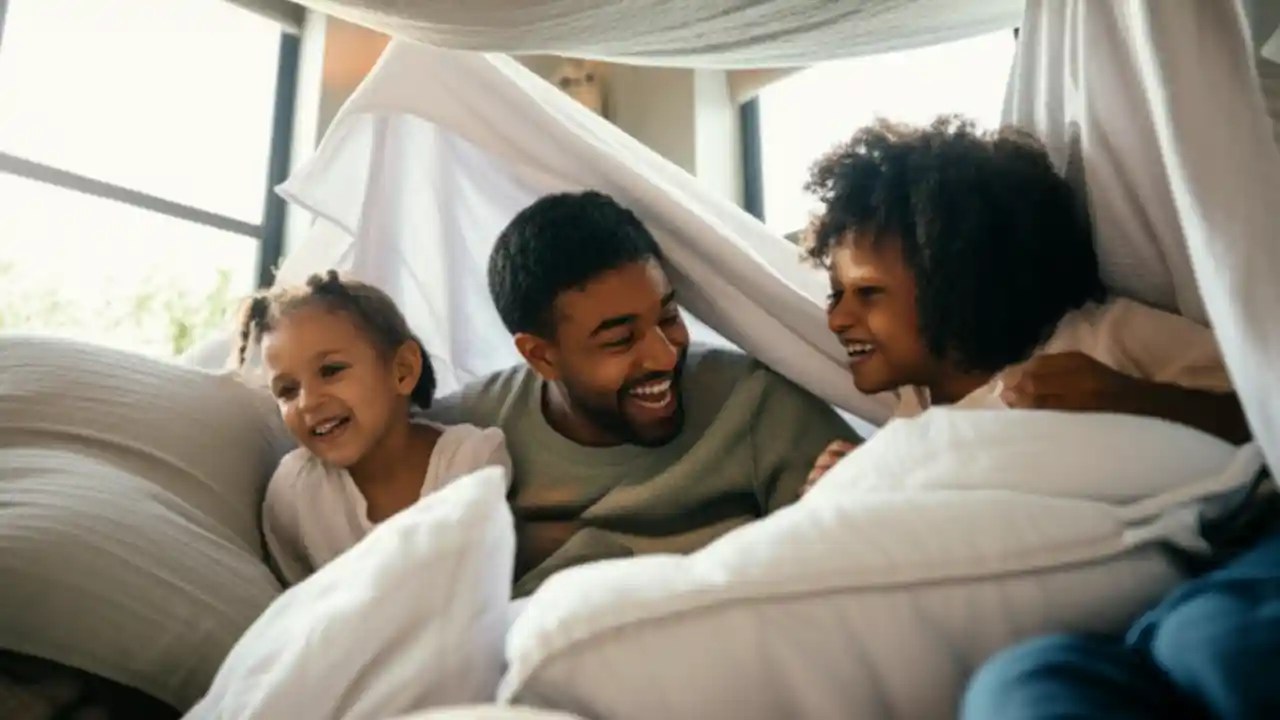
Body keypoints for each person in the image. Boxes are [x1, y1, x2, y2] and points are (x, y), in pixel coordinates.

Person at [429, 190, 859, 596]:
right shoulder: (469, 436)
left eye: (669, 315)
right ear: (541, 356)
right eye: (620, 340)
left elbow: (860, 541)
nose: (665, 355)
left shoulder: (753, 402)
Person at [801, 116, 1249, 493]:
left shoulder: (1100, 341)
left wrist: (1132, 400)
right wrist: (858, 481)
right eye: (835, 294)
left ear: (959, 280)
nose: (836, 319)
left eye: (868, 293)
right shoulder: (916, 407)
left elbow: (1263, 419)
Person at [237, 270, 511, 585]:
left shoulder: (471, 461)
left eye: (331, 370)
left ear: (403, 371)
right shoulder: (294, 492)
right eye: (287, 390)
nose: (308, 402)